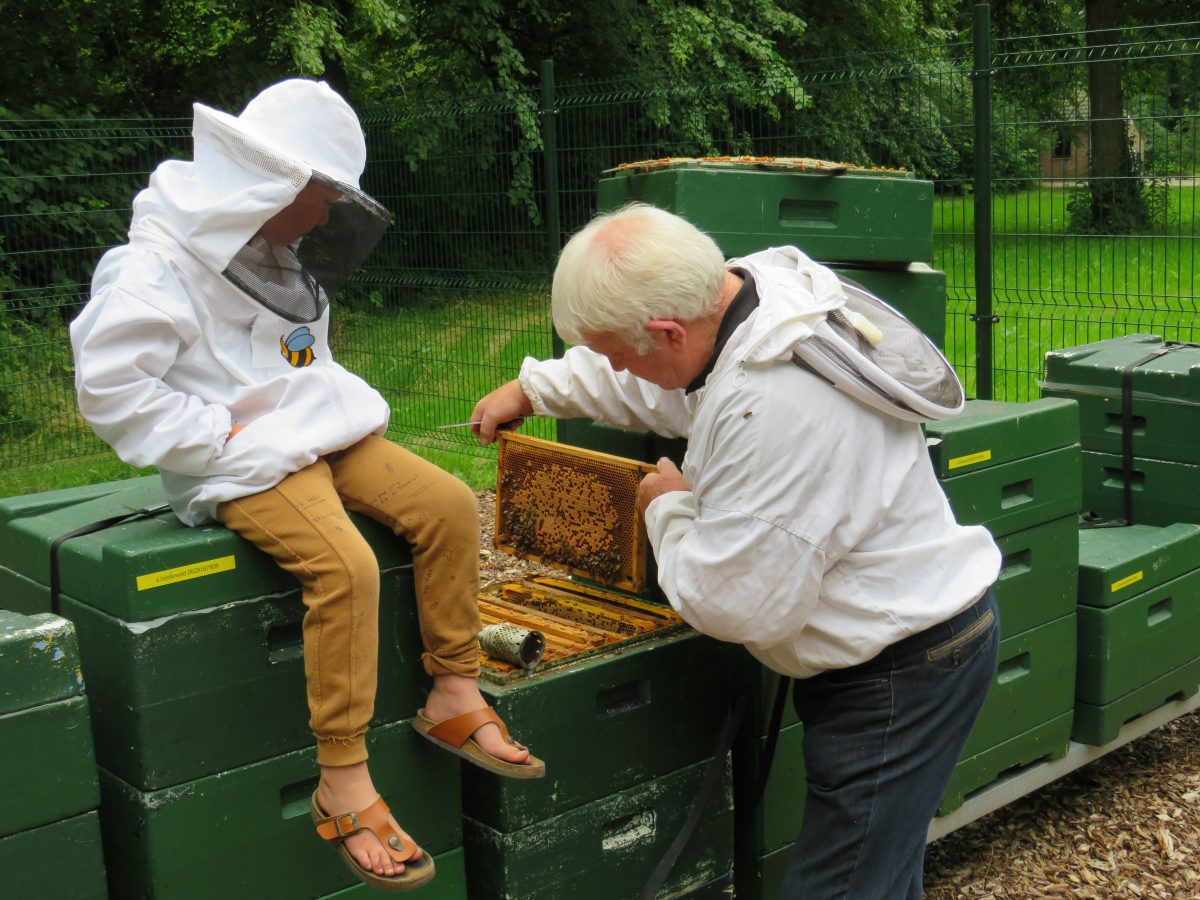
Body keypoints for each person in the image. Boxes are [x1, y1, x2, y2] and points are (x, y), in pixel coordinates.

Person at [70, 78, 543, 893]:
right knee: (346, 568)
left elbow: (296, 363)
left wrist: (320, 417)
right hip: (238, 456)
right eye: (322, 197)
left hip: (312, 434)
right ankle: (343, 777)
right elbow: (111, 390)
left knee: (445, 506)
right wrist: (216, 435)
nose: (326, 218)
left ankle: (453, 689)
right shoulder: (151, 268)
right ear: (273, 184)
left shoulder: (268, 254)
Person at [471, 203, 1001, 898]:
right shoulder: (744, 300)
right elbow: (676, 385)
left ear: (667, 331)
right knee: (879, 879)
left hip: (900, 670)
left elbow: (737, 605)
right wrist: (535, 387)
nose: (616, 367)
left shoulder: (772, 405)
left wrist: (667, 508)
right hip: (909, 640)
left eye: (618, 353)